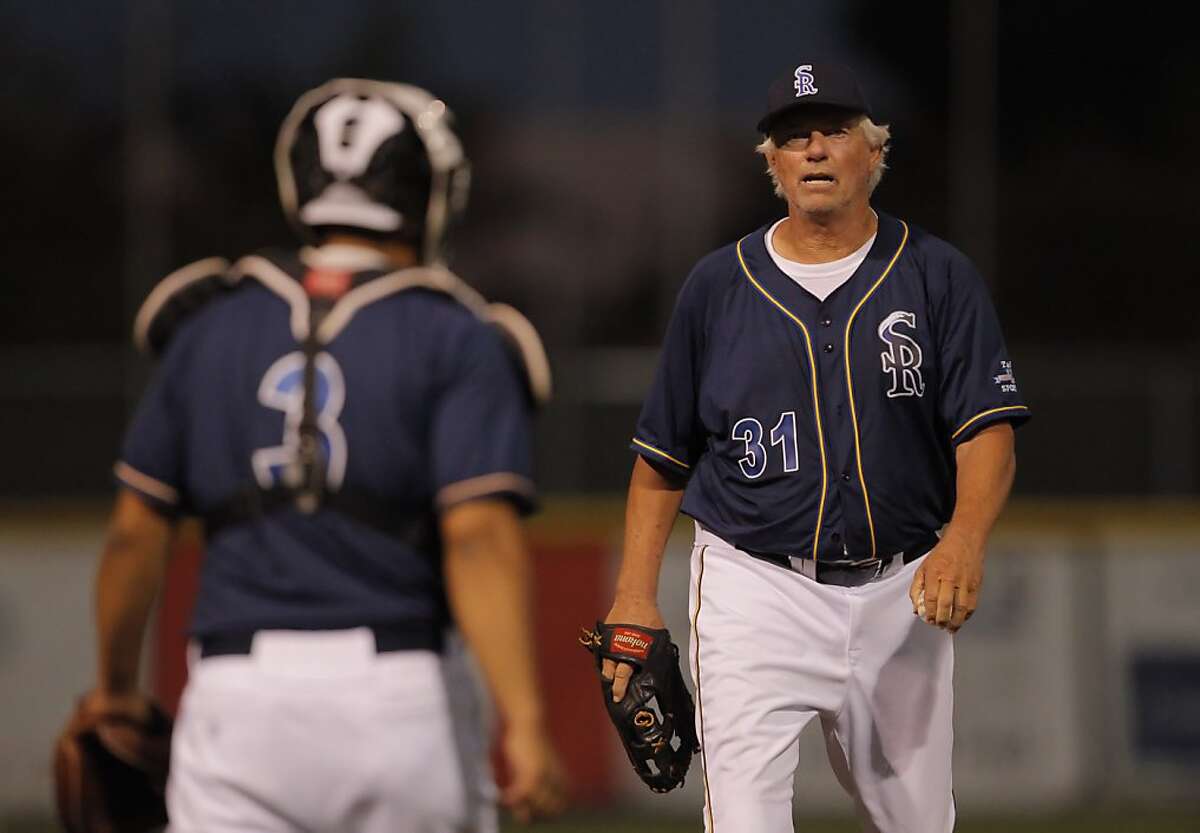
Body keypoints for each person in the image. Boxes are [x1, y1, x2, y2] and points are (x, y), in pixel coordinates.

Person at [84, 78, 566, 832]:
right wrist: (528, 721)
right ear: (428, 192)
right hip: (401, 698)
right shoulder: (456, 333)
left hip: (237, 698)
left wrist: (114, 690)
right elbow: (477, 536)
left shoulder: (211, 324)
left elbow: (133, 534)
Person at [602, 61, 1030, 832]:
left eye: (834, 131)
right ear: (772, 162)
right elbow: (661, 458)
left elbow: (986, 429)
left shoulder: (936, 275)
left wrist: (965, 537)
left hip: (902, 589)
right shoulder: (717, 287)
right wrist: (634, 596)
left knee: (920, 824)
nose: (814, 151)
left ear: (874, 152)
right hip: (754, 586)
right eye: (792, 137)